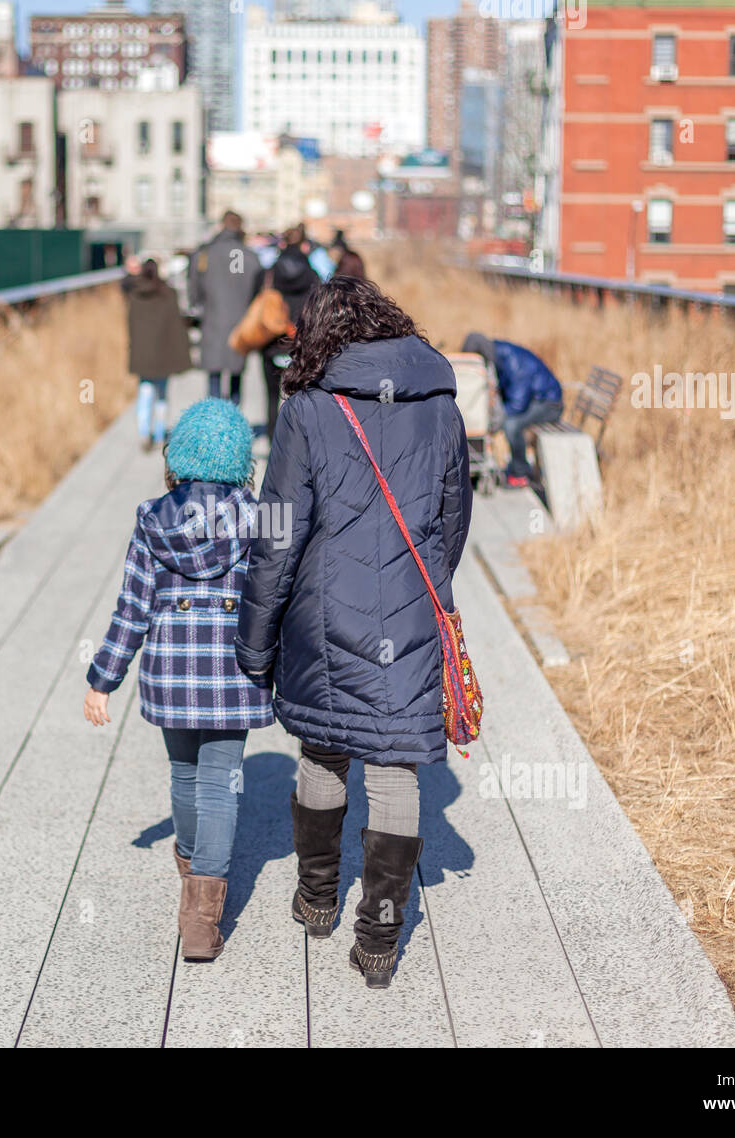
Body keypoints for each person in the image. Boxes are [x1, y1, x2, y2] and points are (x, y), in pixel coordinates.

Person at [236, 277, 473, 990]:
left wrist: (255, 636)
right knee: (396, 766)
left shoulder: (309, 406)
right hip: (409, 609)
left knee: (325, 750)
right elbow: (454, 515)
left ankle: (316, 898)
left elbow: (278, 535)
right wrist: (424, 576)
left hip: (322, 609)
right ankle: (379, 936)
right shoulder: (438, 401)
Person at [84, 399, 273, 963]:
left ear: (177, 457)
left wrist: (103, 679)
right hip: (235, 674)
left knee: (184, 774)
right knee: (220, 782)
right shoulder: (262, 519)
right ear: (241, 462)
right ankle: (200, 917)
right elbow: (275, 599)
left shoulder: (151, 519)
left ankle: (191, 867)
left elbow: (131, 609)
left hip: (170, 674)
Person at [461, 332, 564, 488]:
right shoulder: (497, 353)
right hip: (535, 400)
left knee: (511, 425)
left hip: (549, 404)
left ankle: (520, 473)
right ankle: (517, 466)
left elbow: (517, 405)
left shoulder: (513, 362)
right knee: (505, 421)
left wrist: (494, 422)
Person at [189, 211, 263, 405]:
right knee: (236, 377)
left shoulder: (205, 254)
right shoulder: (251, 256)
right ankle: (234, 421)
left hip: (213, 322)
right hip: (240, 325)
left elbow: (194, 292)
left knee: (213, 376)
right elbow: (258, 292)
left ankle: (215, 423)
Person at [260, 224, 321, 437]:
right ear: (304, 245)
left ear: (283, 243)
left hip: (272, 341)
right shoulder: (313, 275)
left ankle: (271, 439)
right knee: (301, 396)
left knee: (270, 395)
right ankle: (295, 440)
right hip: (300, 345)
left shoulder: (270, 274)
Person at [125, 259, 192, 452]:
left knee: (145, 392)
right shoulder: (168, 293)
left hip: (143, 353)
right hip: (164, 353)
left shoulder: (135, 295)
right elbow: (176, 325)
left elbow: (131, 325)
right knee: (162, 394)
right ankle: (161, 433)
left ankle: (144, 432)